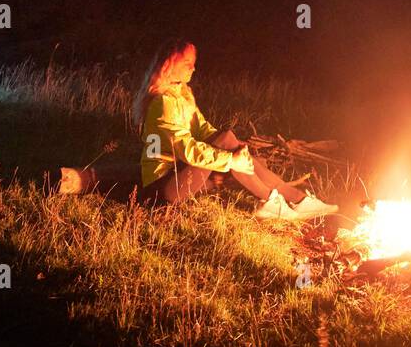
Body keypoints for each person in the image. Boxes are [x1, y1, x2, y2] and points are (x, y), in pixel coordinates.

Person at [134, 40, 337, 221]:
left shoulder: (182, 93)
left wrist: (236, 149)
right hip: (163, 189)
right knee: (228, 145)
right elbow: (186, 148)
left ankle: (295, 198)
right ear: (169, 62)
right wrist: (230, 158)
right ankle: (272, 201)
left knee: (230, 141)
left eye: (193, 63)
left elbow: (203, 129)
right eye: (187, 63)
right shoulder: (163, 102)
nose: (193, 68)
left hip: (180, 174)